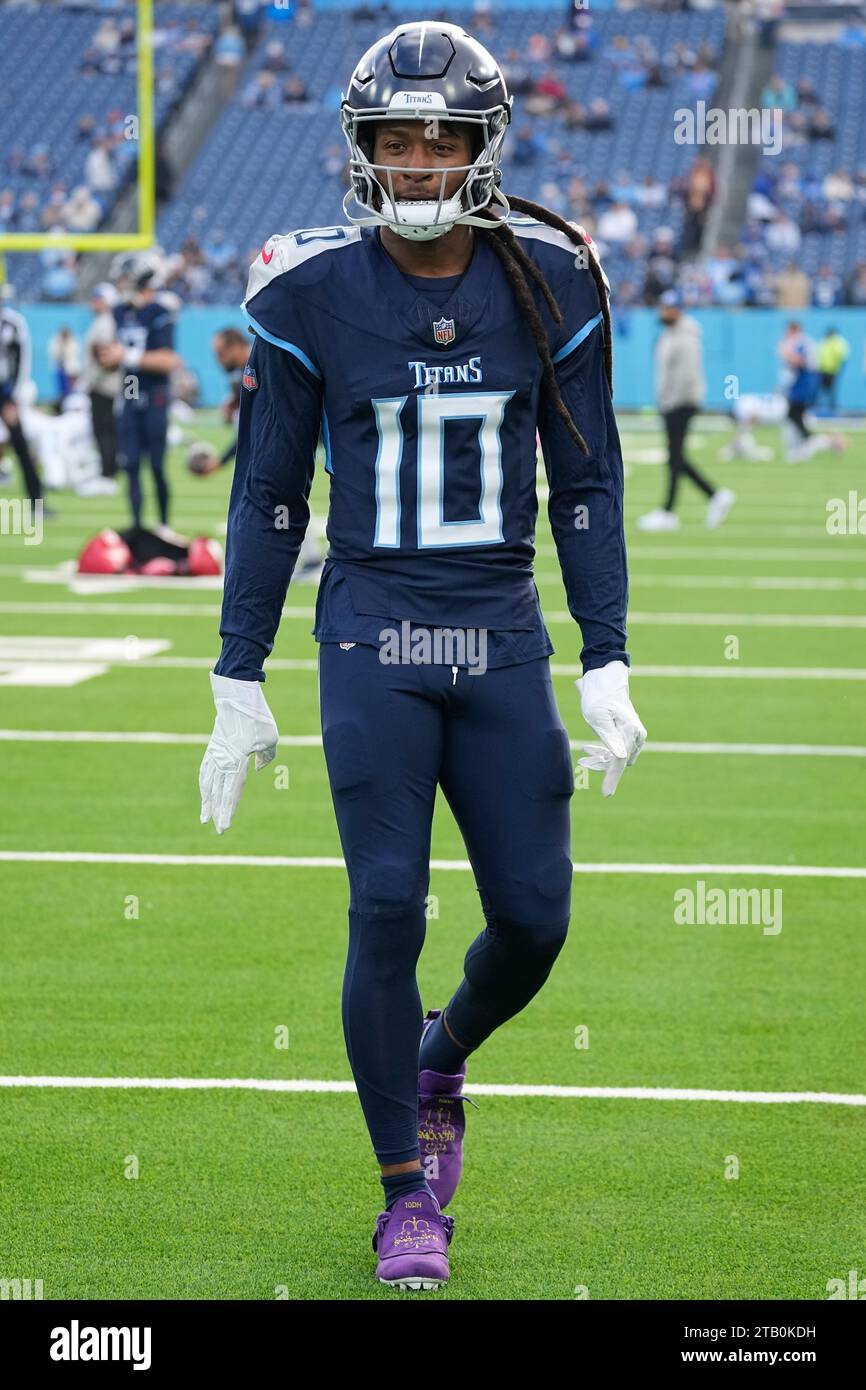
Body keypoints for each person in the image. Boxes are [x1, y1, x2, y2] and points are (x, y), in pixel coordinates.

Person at [198, 22, 646, 1291]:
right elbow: (270, 490)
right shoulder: (307, 287)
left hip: (496, 621)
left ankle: (440, 1053)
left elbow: (587, 485)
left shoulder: (550, 276)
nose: (412, 159)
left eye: (436, 136)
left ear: (481, 146)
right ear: (359, 147)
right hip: (372, 624)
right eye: (392, 137)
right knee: (385, 900)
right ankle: (405, 1194)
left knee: (535, 915)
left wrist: (603, 655)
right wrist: (239, 671)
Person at [96, 251, 181, 528]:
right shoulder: (120, 312)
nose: (120, 283)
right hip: (130, 393)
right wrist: (108, 359)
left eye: (124, 277)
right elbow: (118, 358)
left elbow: (168, 360)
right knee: (131, 465)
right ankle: (136, 527)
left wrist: (126, 356)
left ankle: (164, 526)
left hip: (155, 395)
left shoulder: (159, 311)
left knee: (156, 466)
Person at [638, 292, 734, 531]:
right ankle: (711, 496)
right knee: (676, 458)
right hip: (673, 403)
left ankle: (674, 510)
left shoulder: (686, 337)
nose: (663, 313)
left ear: (677, 310)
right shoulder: (671, 335)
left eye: (667, 308)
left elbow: (687, 377)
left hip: (680, 404)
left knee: (675, 457)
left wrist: (670, 401)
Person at [0, 286, 44, 508]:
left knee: (21, 447)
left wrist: (13, 396)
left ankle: (36, 500)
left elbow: (21, 359)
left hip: (5, 393)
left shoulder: (12, 323)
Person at [777, 321, 844, 461]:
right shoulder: (803, 342)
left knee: (794, 414)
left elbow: (799, 361)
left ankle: (823, 442)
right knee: (796, 416)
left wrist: (785, 352)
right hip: (803, 384)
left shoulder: (802, 342)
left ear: (794, 330)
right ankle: (816, 443)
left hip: (805, 384)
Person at [81, 282, 121, 495]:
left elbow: (104, 356)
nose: (93, 303)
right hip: (103, 383)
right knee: (105, 429)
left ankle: (108, 473)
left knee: (104, 429)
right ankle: (108, 469)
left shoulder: (106, 322)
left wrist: (90, 379)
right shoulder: (105, 320)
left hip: (103, 385)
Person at [815, 326, 850, 412]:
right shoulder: (825, 341)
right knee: (822, 390)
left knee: (831, 390)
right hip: (823, 369)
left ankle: (832, 409)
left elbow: (843, 355)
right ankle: (821, 408)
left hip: (832, 370)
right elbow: (818, 353)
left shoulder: (838, 342)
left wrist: (839, 367)